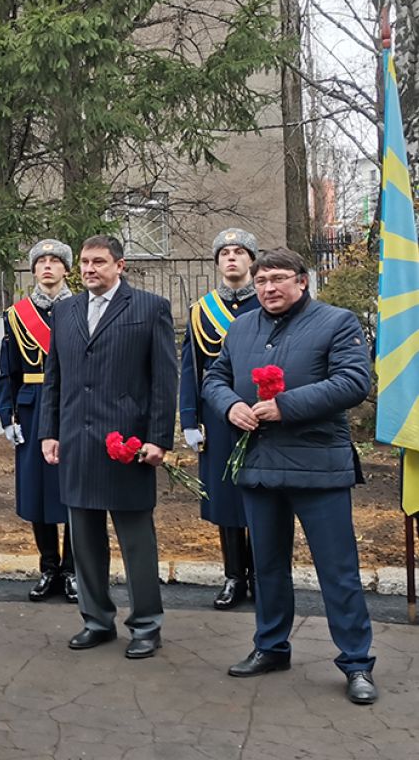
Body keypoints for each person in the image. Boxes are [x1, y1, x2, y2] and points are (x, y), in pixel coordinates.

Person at [202, 248, 376, 705]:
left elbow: (354, 382)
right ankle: (271, 646)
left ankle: (356, 662)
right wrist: (229, 405)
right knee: (269, 567)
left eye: (278, 279)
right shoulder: (241, 328)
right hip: (259, 468)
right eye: (261, 281)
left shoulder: (337, 322)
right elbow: (214, 378)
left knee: (338, 572)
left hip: (318, 468)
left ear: (303, 281)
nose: (268, 288)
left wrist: (286, 406)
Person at [40, 235, 177, 660]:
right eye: (84, 262)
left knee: (136, 541)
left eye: (99, 261)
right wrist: (50, 430)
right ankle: (96, 619)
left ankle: (146, 625)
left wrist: (158, 439)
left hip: (128, 445)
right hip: (77, 443)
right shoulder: (65, 310)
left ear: (120, 266)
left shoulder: (149, 308)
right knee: (83, 539)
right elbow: (54, 377)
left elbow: (163, 379)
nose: (89, 269)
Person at [180, 229, 260, 609]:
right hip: (216, 416)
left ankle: (262, 575)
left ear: (251, 260)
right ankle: (234, 576)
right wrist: (189, 420)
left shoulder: (268, 302)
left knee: (262, 495)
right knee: (226, 497)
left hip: (262, 412)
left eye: (239, 252)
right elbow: (190, 369)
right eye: (224, 253)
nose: (231, 258)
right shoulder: (201, 310)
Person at [0, 239, 76, 603]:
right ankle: (48, 567)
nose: (47, 266)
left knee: (75, 490)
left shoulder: (82, 308)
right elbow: (7, 372)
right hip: (32, 407)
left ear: (66, 269)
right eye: (41, 261)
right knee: (38, 492)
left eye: (54, 261)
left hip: (75, 407)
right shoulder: (16, 315)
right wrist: (6, 416)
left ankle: (73, 570)